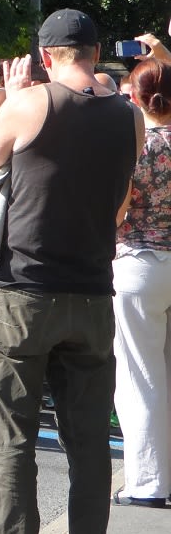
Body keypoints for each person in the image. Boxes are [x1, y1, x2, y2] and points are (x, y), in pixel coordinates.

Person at [0, 9, 140, 534]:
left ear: (45, 56)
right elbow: (120, 201)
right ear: (93, 50)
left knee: (10, 438)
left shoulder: (31, 102)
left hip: (22, 290)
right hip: (92, 292)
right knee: (89, 443)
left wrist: (0, 105)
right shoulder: (128, 116)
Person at [111, 58, 171, 508]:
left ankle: (148, 483)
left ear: (133, 98)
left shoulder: (133, 146)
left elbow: (116, 212)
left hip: (140, 262)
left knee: (140, 378)